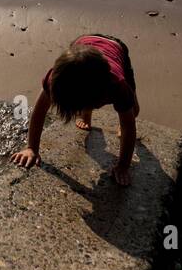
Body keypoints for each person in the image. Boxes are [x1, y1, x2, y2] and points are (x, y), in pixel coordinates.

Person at [11, 34, 140, 185]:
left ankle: (88, 113)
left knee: (133, 110)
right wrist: (31, 148)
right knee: (82, 92)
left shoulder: (118, 85)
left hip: (116, 49)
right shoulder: (55, 80)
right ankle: (86, 117)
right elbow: (39, 112)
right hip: (82, 43)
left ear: (102, 97)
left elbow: (129, 126)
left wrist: (123, 166)